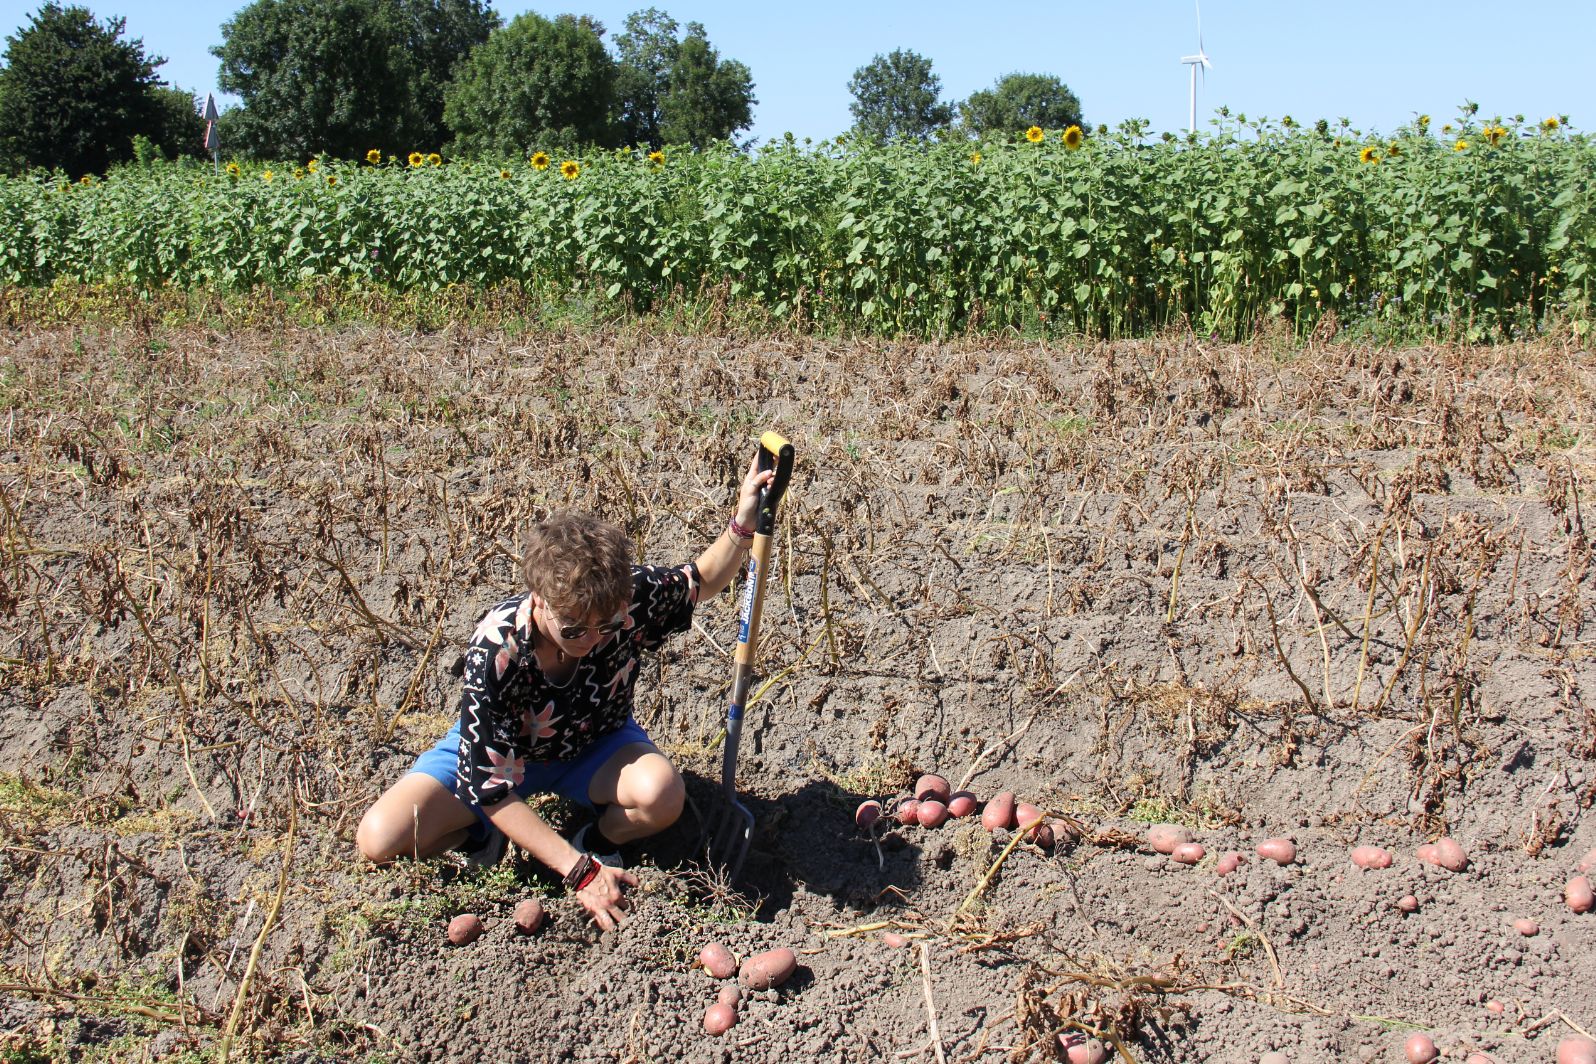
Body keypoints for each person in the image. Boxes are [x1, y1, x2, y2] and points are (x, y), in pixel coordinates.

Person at [356, 454, 773, 931]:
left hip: (594, 748)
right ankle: (479, 835)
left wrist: (742, 524)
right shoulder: (497, 649)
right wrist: (578, 873)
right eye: (574, 630)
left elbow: (700, 581)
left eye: (608, 625)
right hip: (504, 758)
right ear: (539, 600)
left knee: (661, 794)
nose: (594, 639)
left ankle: (592, 835)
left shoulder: (627, 598)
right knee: (381, 837)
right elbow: (491, 788)